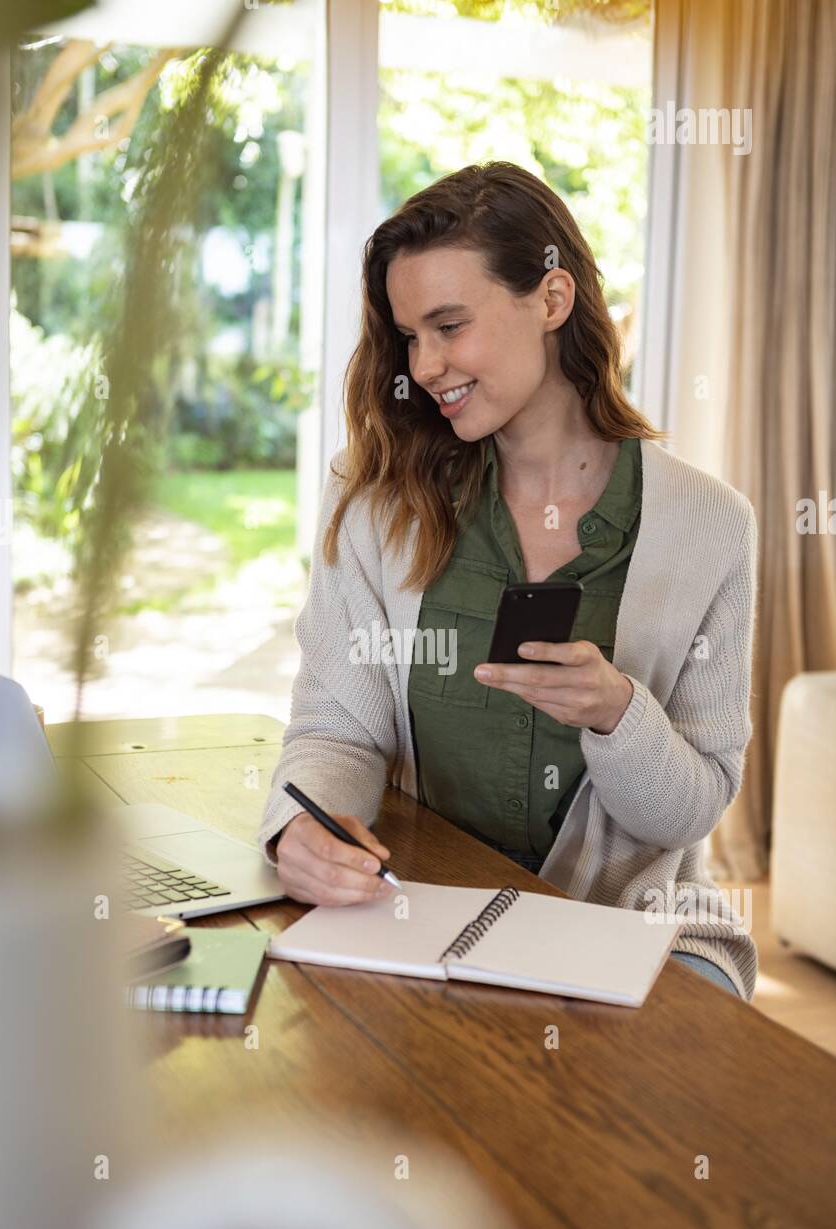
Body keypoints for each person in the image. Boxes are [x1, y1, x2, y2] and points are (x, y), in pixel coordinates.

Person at [258, 161, 757, 1002]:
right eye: (411, 335)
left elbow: (692, 809)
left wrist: (617, 712)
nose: (424, 364)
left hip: (636, 927)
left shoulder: (710, 525)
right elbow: (337, 730)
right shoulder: (376, 497)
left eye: (450, 325)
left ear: (552, 300)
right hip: (423, 914)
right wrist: (300, 829)